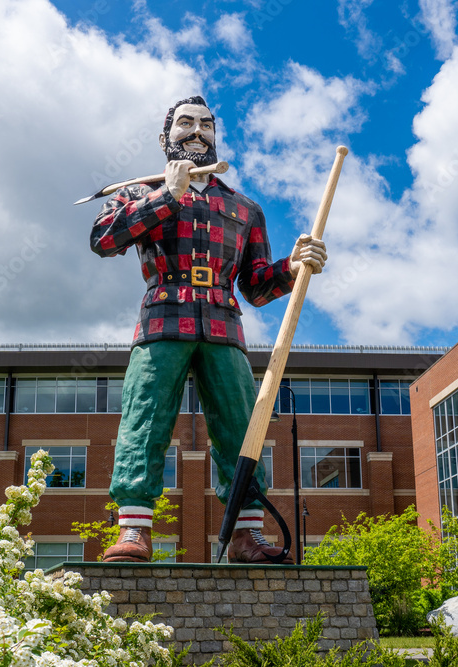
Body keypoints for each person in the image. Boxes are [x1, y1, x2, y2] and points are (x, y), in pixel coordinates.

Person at [89, 95, 327, 563]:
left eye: (206, 124)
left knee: (241, 426)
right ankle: (134, 528)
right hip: (161, 319)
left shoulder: (245, 208)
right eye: (185, 123)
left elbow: (256, 286)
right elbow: (103, 239)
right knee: (144, 419)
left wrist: (293, 265)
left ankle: (246, 533)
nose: (197, 131)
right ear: (165, 137)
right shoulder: (138, 193)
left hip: (224, 326)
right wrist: (168, 196)